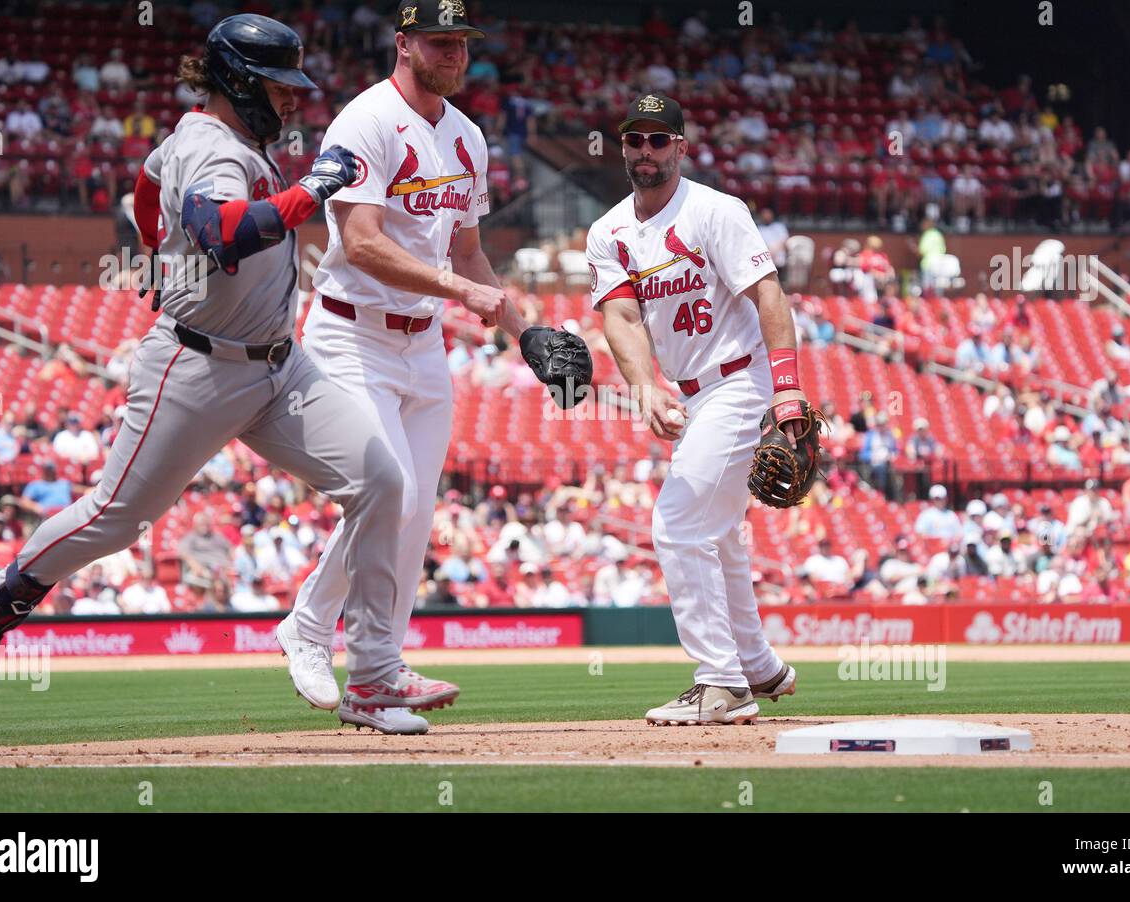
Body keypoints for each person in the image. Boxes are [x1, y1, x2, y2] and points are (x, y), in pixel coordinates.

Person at [0, 14, 406, 713]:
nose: (292, 100)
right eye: (278, 86)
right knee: (117, 518)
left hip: (280, 368)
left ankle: (373, 675)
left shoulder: (214, 138)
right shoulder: (215, 147)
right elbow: (224, 234)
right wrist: (311, 189)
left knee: (380, 479)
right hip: (199, 367)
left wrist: (156, 248)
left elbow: (147, 181)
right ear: (236, 82)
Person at [279, 0, 590, 735]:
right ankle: (320, 634)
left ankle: (373, 680)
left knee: (414, 509)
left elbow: (469, 251)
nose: (454, 55)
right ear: (405, 43)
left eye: (461, 43)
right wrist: (460, 290)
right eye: (439, 42)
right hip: (350, 335)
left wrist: (524, 328)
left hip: (422, 343)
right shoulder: (365, 121)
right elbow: (361, 243)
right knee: (393, 488)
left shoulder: (468, 136)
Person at [588, 92, 798, 725]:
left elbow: (768, 294)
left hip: (740, 380)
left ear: (681, 146)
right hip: (690, 393)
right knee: (720, 535)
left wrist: (786, 389)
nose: (645, 151)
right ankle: (756, 666)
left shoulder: (716, 210)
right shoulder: (609, 231)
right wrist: (644, 385)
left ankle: (721, 682)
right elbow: (621, 316)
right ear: (623, 146)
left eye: (659, 139)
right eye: (635, 140)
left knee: (678, 524)